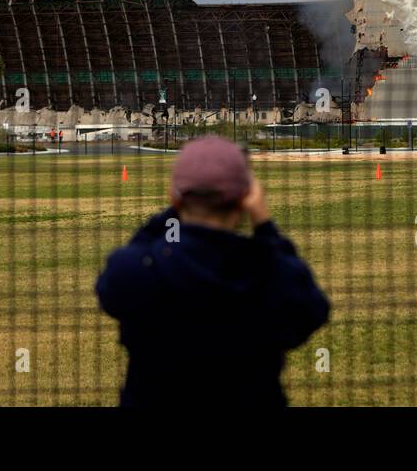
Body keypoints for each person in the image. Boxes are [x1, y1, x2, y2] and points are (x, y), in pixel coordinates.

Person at [95, 135, 329, 406]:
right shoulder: (267, 273)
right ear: (245, 198)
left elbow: (112, 284)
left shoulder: (141, 270)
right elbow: (310, 309)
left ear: (176, 196)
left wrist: (174, 209)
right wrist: (264, 225)